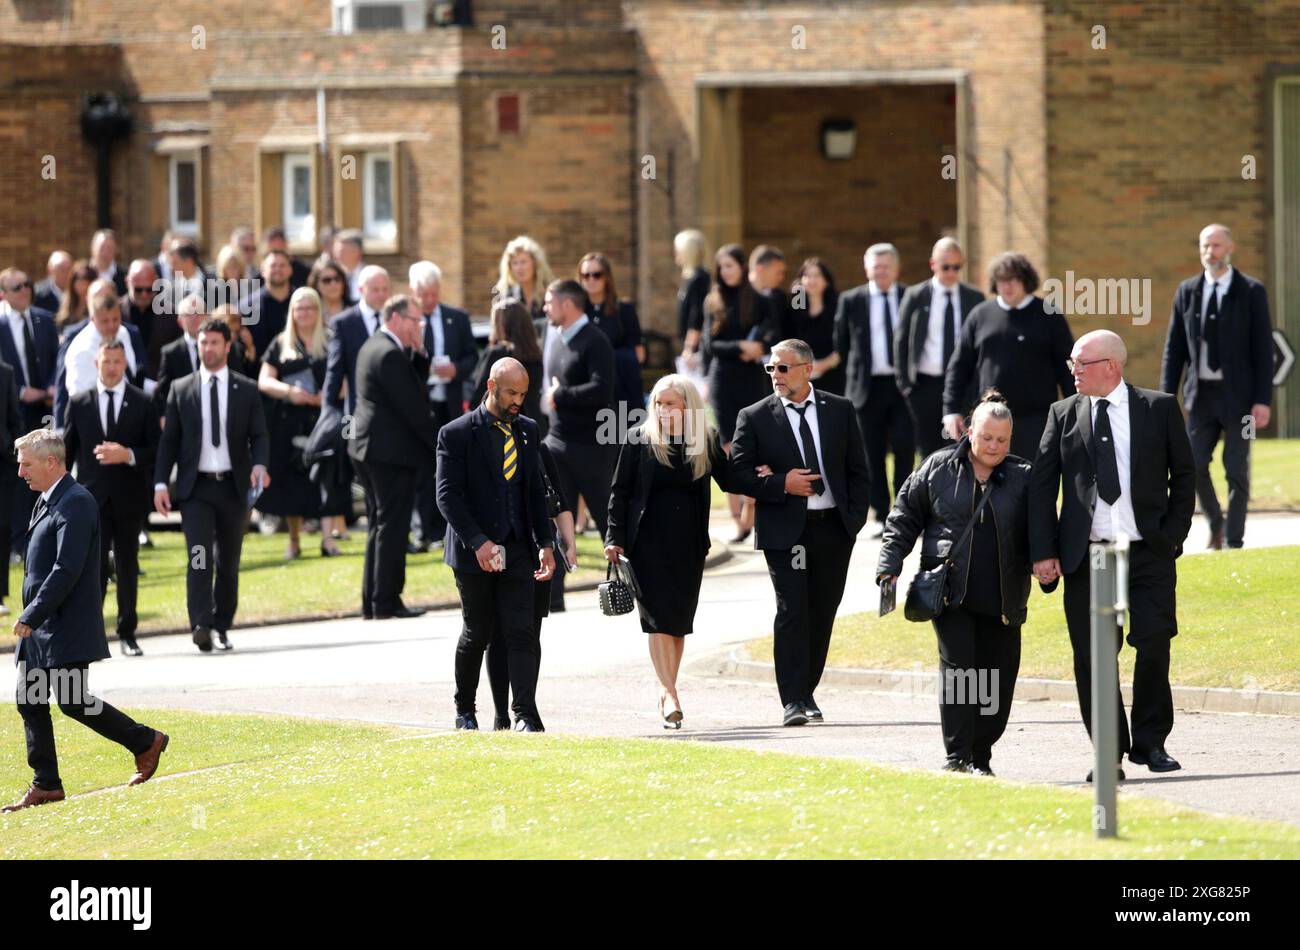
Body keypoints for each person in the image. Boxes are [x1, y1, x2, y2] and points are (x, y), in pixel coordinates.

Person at [1030, 330, 1195, 782]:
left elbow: (1184, 476)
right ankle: (1109, 753)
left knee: (1154, 644)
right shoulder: (1062, 414)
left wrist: (1172, 537)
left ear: (1112, 367)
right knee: (1095, 657)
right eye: (1072, 364)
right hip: (1089, 558)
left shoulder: (1158, 408)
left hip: (1148, 553)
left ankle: (1151, 743)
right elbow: (1043, 487)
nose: (1074, 372)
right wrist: (1043, 552)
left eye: (1081, 364)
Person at [5, 429, 167, 813]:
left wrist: (32, 613)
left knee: (73, 701)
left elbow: (67, 568)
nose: (20, 473)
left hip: (62, 624)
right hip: (41, 629)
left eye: (26, 465)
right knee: (29, 699)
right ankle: (46, 784)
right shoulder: (46, 499)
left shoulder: (76, 501)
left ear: (51, 462)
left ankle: (145, 742)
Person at [876, 391, 1032, 775]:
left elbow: (1043, 531)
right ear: (969, 432)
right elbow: (903, 517)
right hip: (950, 593)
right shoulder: (938, 468)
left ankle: (982, 754)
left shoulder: (1024, 477)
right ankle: (958, 755)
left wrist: (1048, 564)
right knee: (959, 672)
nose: (994, 446)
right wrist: (889, 565)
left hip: (1002, 596)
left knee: (996, 678)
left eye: (1002, 440)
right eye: (987, 437)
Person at [729, 338, 870, 727]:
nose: (775, 374)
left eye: (783, 367)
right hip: (786, 532)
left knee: (823, 611)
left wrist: (852, 523)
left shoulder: (839, 410)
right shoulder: (754, 416)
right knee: (792, 610)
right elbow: (735, 474)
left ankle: (806, 691)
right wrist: (780, 483)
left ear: (808, 370)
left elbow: (859, 471)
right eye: (771, 368)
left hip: (833, 530)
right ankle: (792, 699)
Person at [605, 374, 734, 728]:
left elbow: (733, 479)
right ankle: (670, 692)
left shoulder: (703, 441)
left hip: (688, 545)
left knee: (677, 623)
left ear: (688, 407)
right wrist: (612, 538)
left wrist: (770, 474)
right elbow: (620, 493)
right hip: (645, 544)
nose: (662, 410)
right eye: (658, 404)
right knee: (657, 621)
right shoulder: (638, 440)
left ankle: (667, 691)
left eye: (670, 404)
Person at [437, 357, 556, 731]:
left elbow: (536, 492)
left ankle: (524, 714)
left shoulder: (528, 431)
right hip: (474, 552)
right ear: (491, 387)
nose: (518, 401)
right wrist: (479, 542)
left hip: (518, 547)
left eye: (523, 393)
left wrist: (545, 543)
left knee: (522, 631)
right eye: (511, 393)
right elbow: (447, 496)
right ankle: (465, 709)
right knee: (478, 632)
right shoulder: (455, 433)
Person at [153, 318, 270, 653]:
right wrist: (161, 482)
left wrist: (260, 465)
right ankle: (201, 623)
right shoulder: (182, 388)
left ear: (227, 346)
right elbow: (169, 441)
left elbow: (259, 434)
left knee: (228, 563)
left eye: (214, 343)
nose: (208, 349)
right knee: (199, 557)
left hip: (233, 489)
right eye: (203, 343)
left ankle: (222, 625)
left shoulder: (245, 388)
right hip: (196, 490)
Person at [1160, 223, 1274, 550]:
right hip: (1201, 399)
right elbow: (1175, 349)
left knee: (1237, 469)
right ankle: (1217, 524)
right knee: (1193, 465)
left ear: (1231, 248)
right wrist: (1168, 398)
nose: (1210, 252)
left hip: (1242, 401)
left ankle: (1234, 541)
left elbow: (1263, 351)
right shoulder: (1187, 291)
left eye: (1217, 246)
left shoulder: (1252, 292)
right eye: (1205, 246)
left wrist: (1262, 400)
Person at [62, 339, 160, 657]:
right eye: (107, 361)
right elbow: (67, 451)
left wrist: (127, 454)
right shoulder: (79, 402)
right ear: (96, 363)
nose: (113, 367)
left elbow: (156, 449)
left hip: (129, 498)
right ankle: (92, 635)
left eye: (118, 362)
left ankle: (127, 632)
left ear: (125, 364)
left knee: (128, 565)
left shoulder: (143, 401)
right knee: (94, 568)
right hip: (90, 500)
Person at [348, 295, 438, 620]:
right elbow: (414, 407)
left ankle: (373, 602)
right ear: (398, 319)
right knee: (393, 526)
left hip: (370, 450)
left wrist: (420, 351)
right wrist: (440, 447)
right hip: (388, 453)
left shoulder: (375, 346)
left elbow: (414, 384)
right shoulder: (388, 354)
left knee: (379, 523)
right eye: (416, 321)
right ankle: (386, 601)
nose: (420, 326)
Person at [943, 251, 1075, 462]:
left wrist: (1077, 410)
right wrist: (950, 410)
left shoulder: (1048, 315)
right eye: (1002, 280)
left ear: (1026, 280)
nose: (1007, 286)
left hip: (1037, 420)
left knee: (1035, 482)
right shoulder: (980, 315)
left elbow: (1068, 368)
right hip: (990, 419)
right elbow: (959, 366)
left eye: (1014, 279)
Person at [484, 439, 574, 731]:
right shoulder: (476, 444)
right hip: (496, 548)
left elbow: (558, 500)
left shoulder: (535, 445)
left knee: (529, 631)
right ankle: (501, 714)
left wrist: (568, 544)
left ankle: (526, 709)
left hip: (536, 547)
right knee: (497, 632)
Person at [827, 242, 915, 535]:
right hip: (866, 388)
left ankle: (904, 511)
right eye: (876, 266)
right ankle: (880, 514)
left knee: (904, 448)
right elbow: (841, 343)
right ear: (867, 269)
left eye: (886, 266)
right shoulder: (852, 300)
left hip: (902, 386)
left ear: (896, 269)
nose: (881, 271)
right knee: (870, 454)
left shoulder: (909, 296)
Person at [541, 278, 615, 610]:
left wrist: (561, 395)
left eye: (549, 302)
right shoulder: (555, 338)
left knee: (606, 517)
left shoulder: (595, 341)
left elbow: (602, 390)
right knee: (558, 515)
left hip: (591, 448)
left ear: (567, 304)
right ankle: (554, 597)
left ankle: (627, 587)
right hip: (557, 444)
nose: (545, 308)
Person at [256, 287, 342, 559]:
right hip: (288, 424)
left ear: (318, 311)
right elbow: (264, 380)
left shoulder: (330, 341)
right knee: (291, 484)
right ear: (292, 312)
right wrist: (290, 393)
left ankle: (328, 540)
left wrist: (324, 397)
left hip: (323, 421)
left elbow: (347, 381)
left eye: (309, 308)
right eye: (299, 308)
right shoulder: (281, 343)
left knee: (326, 479)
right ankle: (294, 541)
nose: (304, 313)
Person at [702, 243, 779, 542]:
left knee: (753, 443)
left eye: (731, 266)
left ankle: (752, 507)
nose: (726, 272)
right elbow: (710, 344)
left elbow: (772, 330)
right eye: (722, 267)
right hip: (724, 379)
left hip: (751, 378)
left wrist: (758, 345)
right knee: (727, 445)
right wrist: (740, 347)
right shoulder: (713, 301)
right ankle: (738, 519)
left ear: (742, 267)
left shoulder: (758, 299)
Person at [896, 237, 986, 457]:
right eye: (946, 267)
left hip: (961, 384)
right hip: (924, 383)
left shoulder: (974, 297)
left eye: (957, 267)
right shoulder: (916, 295)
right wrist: (905, 384)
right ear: (933, 265)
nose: (952, 273)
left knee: (963, 446)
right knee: (929, 448)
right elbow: (901, 339)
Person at [410, 261, 477, 552]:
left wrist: (455, 370)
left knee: (448, 467)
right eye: (423, 294)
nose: (429, 300)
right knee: (421, 467)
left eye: (434, 294)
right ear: (413, 292)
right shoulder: (407, 319)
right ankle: (421, 530)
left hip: (450, 403)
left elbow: (472, 358)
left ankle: (444, 529)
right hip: (421, 405)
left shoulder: (457, 318)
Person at [56, 284, 148, 431]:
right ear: (92, 319)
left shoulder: (123, 333)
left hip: (128, 418)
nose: (112, 326)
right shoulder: (82, 349)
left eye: (115, 319)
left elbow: (131, 376)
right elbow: (81, 402)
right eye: (105, 321)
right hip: (95, 425)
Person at [579, 252, 644, 414]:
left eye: (597, 275)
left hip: (622, 388)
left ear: (606, 277)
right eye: (586, 275)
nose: (591, 280)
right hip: (587, 387)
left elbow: (639, 354)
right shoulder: (577, 313)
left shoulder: (624, 310)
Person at [322, 264, 389, 416]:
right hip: (356, 411)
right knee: (351, 439)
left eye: (385, 289)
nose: (381, 295)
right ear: (360, 290)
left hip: (390, 414)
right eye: (375, 290)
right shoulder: (343, 323)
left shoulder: (395, 319)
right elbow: (335, 371)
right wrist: (326, 411)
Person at [471, 299, 544, 427]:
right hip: (533, 425)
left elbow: (480, 392)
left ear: (501, 325)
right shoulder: (536, 354)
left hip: (502, 426)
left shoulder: (498, 353)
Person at [786, 257, 842, 395]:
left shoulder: (838, 307)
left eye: (816, 275)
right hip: (801, 378)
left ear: (826, 281)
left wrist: (824, 365)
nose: (811, 280)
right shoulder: (794, 309)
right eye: (807, 276)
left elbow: (844, 343)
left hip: (834, 375)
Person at [494, 235, 554, 321]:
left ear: (535, 264)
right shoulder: (507, 295)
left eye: (523, 262)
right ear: (509, 267)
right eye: (515, 263)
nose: (519, 268)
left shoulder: (550, 292)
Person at [0, 357, 20, 616]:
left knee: (2, 530)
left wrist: (9, 447)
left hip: (2, 465)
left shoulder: (5, 373)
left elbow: (15, 419)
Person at [248, 249, 293, 355]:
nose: (277, 269)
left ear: (290, 270)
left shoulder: (302, 303)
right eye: (273, 265)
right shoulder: (247, 307)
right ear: (262, 270)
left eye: (282, 265)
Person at [675, 229, 711, 360]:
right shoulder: (690, 277)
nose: (676, 254)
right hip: (691, 342)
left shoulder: (700, 277)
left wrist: (689, 347)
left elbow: (697, 313)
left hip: (697, 346)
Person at [54, 259, 96, 340]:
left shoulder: (97, 308)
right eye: (77, 277)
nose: (81, 281)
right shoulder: (66, 308)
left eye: (85, 277)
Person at [90, 229, 129, 297]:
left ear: (115, 250)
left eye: (109, 248)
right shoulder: (82, 275)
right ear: (92, 248)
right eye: (101, 248)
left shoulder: (126, 276)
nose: (105, 253)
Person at [33, 250, 72, 315]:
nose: (66, 273)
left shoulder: (78, 291)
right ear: (50, 270)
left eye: (69, 269)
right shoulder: (38, 294)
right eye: (61, 269)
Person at [333, 229, 366, 300]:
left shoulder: (369, 275)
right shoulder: (332, 276)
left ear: (357, 252)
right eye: (336, 251)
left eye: (341, 251)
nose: (337, 255)